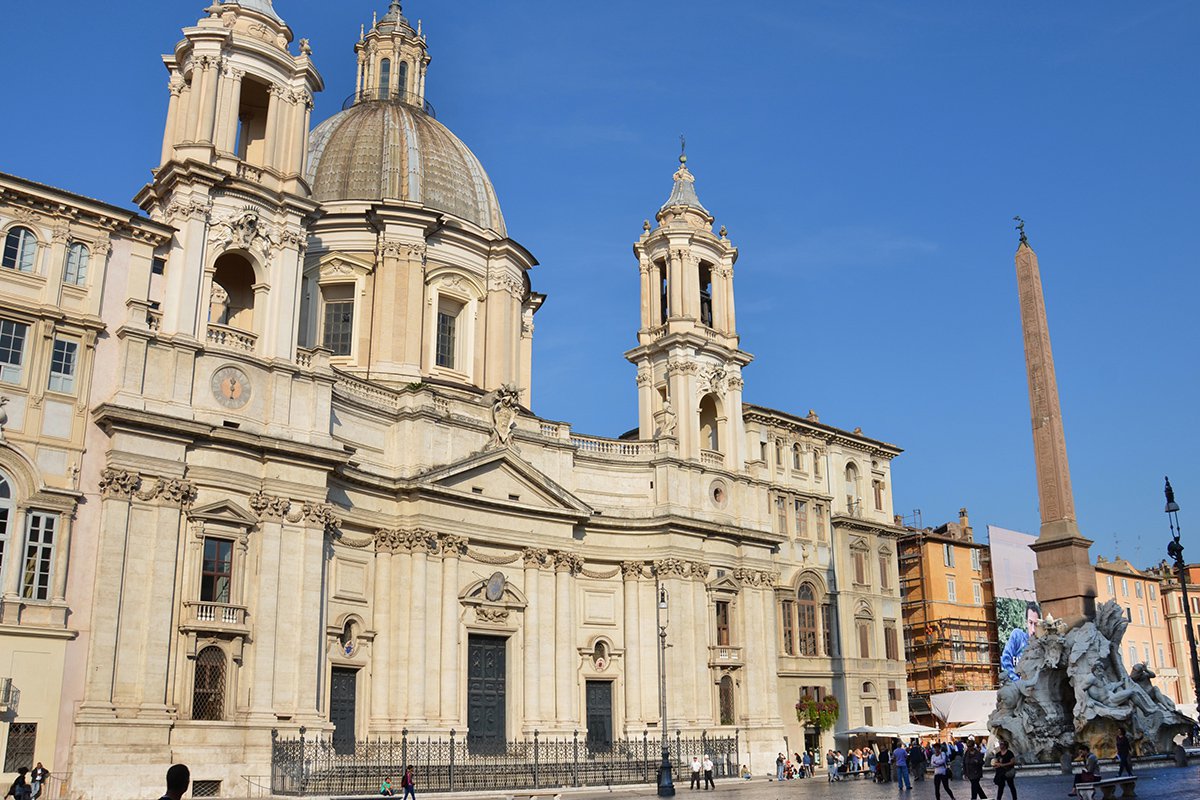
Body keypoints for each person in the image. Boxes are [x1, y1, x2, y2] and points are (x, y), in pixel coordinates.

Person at [1001, 602, 1041, 682]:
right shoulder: (1017, 636)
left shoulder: (1041, 645)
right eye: (1030, 623)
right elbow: (1005, 659)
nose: (1033, 629)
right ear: (1026, 622)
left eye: (1036, 624)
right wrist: (1016, 682)